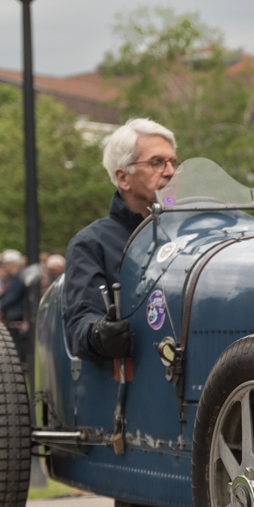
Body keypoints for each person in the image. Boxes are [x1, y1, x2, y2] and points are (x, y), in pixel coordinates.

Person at [65, 118, 179, 363]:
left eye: (173, 162)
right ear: (123, 178)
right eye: (157, 163)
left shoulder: (191, 234)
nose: (170, 172)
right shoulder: (91, 244)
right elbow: (79, 325)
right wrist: (101, 333)